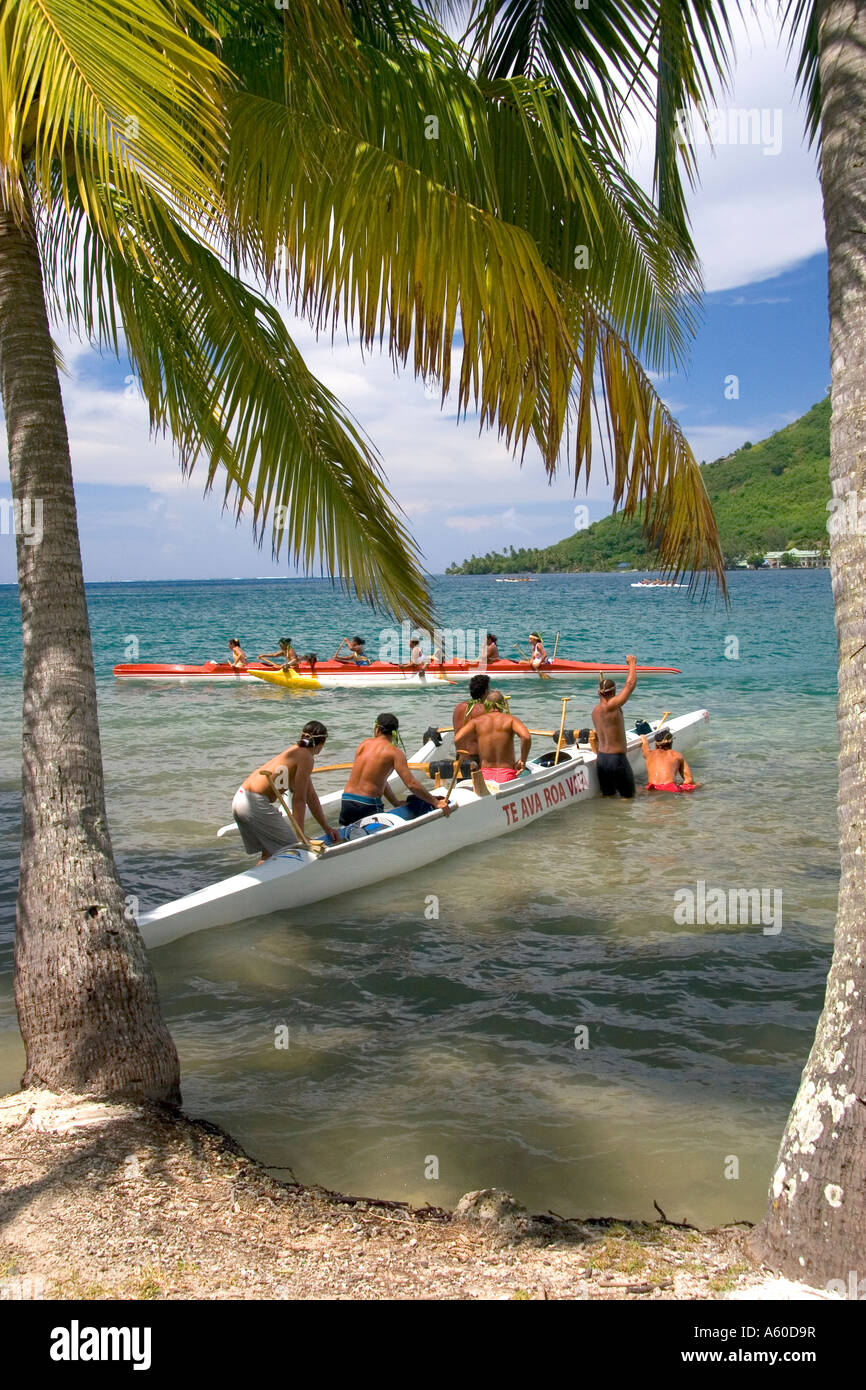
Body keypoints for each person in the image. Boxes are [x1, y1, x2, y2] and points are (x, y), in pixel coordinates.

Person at [232, 721, 339, 861]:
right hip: (255, 804)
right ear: (322, 742)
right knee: (292, 851)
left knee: (270, 853)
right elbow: (299, 799)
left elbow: (310, 796)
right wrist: (301, 836)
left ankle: (266, 880)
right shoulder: (307, 757)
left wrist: (326, 827)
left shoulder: (294, 752)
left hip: (240, 799)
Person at [341, 714, 451, 826]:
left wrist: (395, 802)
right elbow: (411, 783)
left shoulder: (363, 744)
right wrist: (435, 802)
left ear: (377, 729)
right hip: (368, 804)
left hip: (347, 800)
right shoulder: (394, 753)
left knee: (349, 833)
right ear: (395, 733)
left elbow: (378, 780)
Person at [454, 690, 531, 784]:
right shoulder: (511, 720)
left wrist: (464, 755)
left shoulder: (477, 721)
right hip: (506, 774)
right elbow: (526, 737)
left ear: (486, 704)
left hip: (485, 774)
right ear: (503, 704)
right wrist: (523, 760)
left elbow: (458, 738)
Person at [591, 656, 638, 798]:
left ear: (599, 692)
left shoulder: (595, 711)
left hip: (602, 760)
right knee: (628, 799)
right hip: (617, 760)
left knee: (608, 797)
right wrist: (632, 664)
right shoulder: (612, 707)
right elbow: (630, 685)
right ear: (615, 691)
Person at [640, 728, 698, 793]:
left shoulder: (648, 754)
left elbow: (645, 746)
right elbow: (689, 780)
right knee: (697, 785)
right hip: (669, 788)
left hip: (651, 787)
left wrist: (643, 738)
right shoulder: (677, 755)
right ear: (671, 743)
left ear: (656, 744)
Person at [452, 673, 491, 761]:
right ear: (485, 692)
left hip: (460, 757)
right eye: (489, 689)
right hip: (477, 758)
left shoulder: (458, 708)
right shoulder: (485, 710)